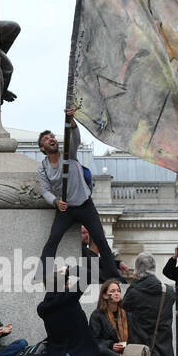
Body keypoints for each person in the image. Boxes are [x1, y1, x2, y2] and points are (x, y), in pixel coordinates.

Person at [37, 108, 122, 283]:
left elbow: (75, 138)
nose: (51, 139)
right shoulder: (43, 166)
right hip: (66, 209)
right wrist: (55, 201)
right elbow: (45, 190)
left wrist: (71, 119)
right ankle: (42, 274)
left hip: (85, 205)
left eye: (52, 136)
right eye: (46, 139)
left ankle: (113, 275)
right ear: (42, 148)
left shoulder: (69, 154)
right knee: (53, 239)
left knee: (100, 239)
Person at [89, 278, 128, 356]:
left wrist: (125, 344)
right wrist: (112, 345)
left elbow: (134, 334)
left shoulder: (127, 312)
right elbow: (94, 340)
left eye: (118, 291)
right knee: (100, 349)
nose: (117, 293)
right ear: (105, 295)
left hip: (126, 348)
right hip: (108, 351)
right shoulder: (97, 315)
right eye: (113, 291)